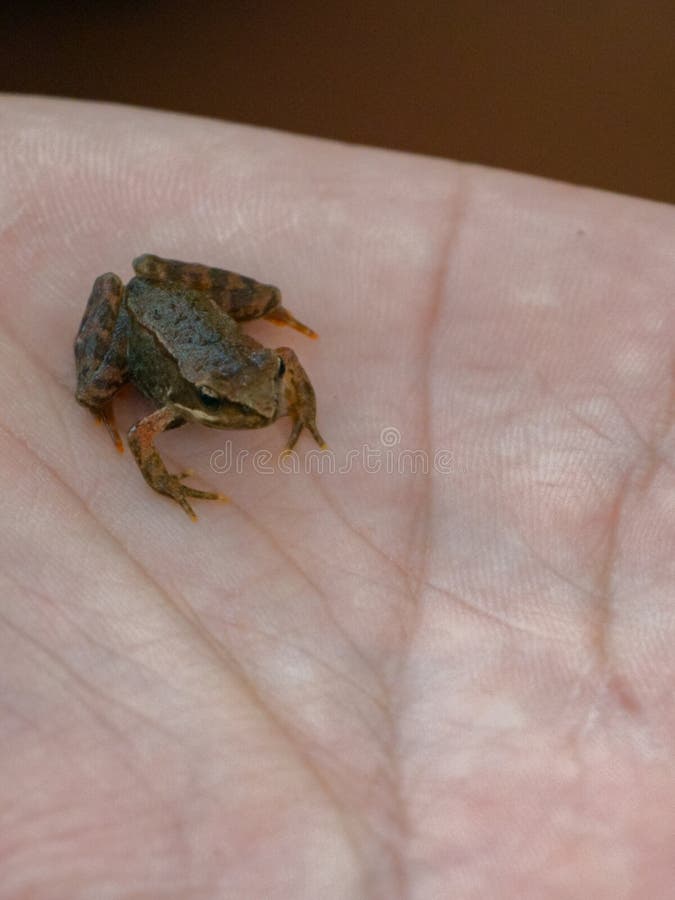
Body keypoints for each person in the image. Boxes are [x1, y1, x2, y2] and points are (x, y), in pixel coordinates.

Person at [1, 95, 673, 898]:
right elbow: (149, 437)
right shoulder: (178, 404)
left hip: (186, 312)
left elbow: (283, 368)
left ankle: (252, 324)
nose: (257, 412)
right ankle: (107, 390)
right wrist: (167, 478)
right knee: (93, 387)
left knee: (255, 293)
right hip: (152, 335)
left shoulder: (270, 375)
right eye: (232, 407)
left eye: (264, 391)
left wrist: (298, 405)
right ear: (204, 401)